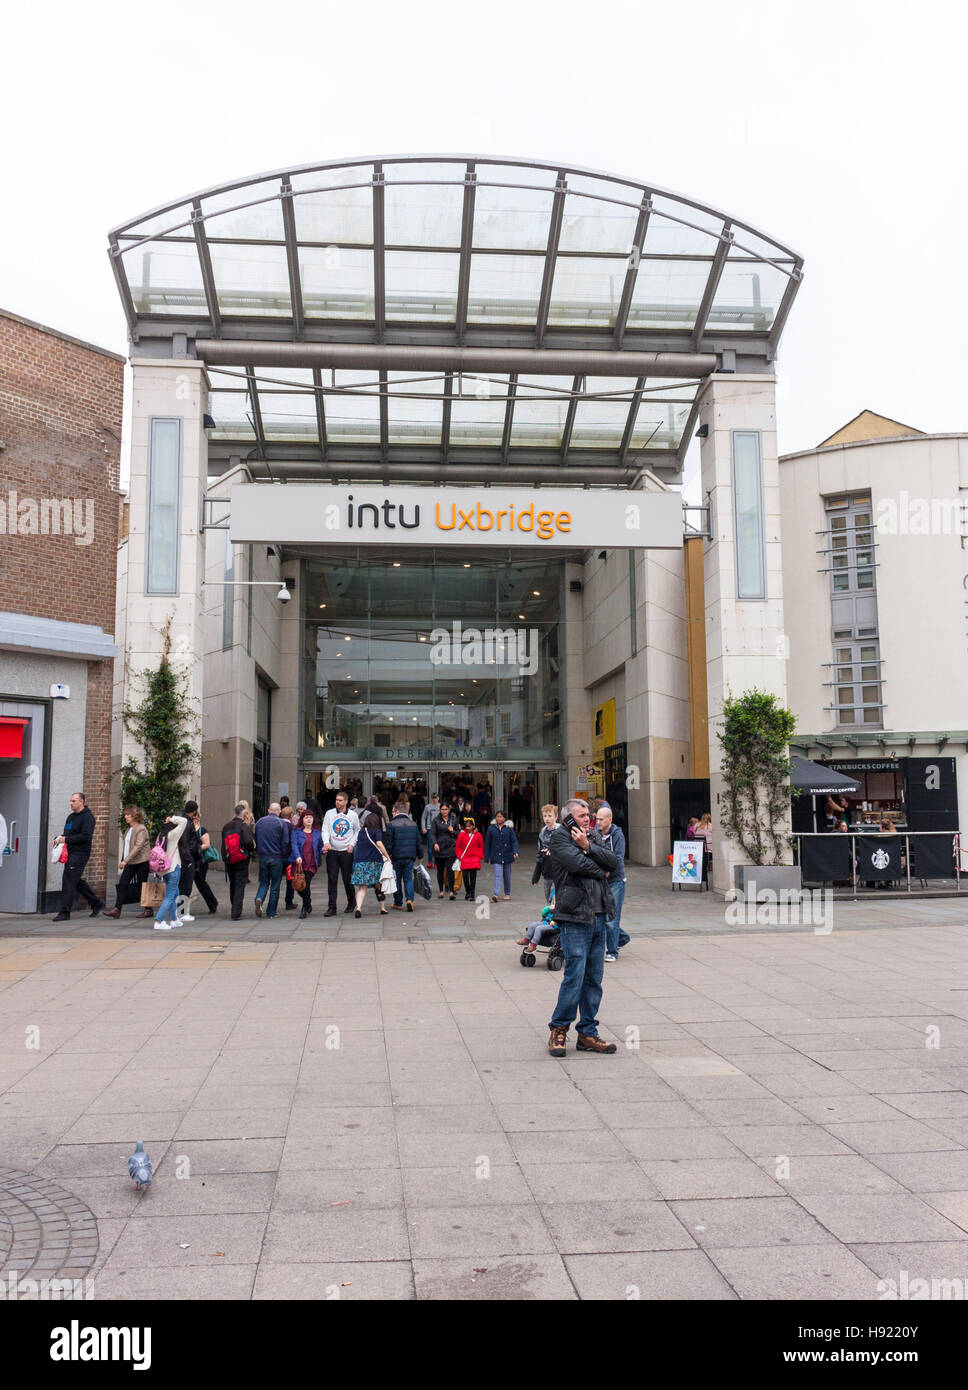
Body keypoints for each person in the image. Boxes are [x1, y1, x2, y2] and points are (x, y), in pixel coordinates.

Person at [546, 798, 618, 1057]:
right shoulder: (559, 839)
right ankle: (559, 1029)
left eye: (589, 814)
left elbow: (615, 863)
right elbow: (578, 865)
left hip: (599, 915)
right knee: (574, 976)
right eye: (581, 815)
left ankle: (587, 1032)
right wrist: (600, 868)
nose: (588, 818)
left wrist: (588, 846)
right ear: (567, 818)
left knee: (594, 978)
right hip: (575, 916)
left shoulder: (591, 837)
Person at [52, 792, 104, 921]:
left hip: (80, 853)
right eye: (70, 801)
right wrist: (58, 839)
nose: (71, 803)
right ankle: (96, 903)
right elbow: (66, 833)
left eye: (74, 801)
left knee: (68, 880)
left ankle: (65, 912)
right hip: (70, 852)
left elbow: (86, 836)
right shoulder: (70, 817)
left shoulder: (87, 817)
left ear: (82, 802)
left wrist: (66, 839)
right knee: (74, 880)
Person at [103, 805, 150, 918]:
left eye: (128, 815)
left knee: (142, 885)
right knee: (123, 884)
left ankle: (148, 910)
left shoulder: (141, 828)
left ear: (134, 816)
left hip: (141, 862)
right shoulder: (129, 829)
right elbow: (127, 847)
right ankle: (117, 909)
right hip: (131, 863)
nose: (125, 817)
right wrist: (124, 860)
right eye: (125, 814)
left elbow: (138, 846)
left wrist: (125, 860)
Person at [597, 804, 629, 962]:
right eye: (596, 819)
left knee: (611, 917)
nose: (598, 822)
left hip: (616, 881)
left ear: (610, 820)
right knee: (603, 917)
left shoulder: (617, 835)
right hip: (601, 880)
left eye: (601, 819)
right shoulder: (595, 833)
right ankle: (621, 938)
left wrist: (606, 872)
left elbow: (618, 858)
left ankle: (612, 952)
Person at [321, 791, 360, 917]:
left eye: (340, 800)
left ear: (346, 801)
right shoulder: (329, 813)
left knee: (347, 879)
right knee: (332, 879)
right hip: (332, 851)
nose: (337, 802)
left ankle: (351, 902)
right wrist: (326, 842)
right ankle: (332, 907)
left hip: (346, 852)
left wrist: (352, 844)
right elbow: (325, 829)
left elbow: (357, 831)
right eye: (336, 800)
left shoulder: (353, 815)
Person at [253, 802, 291, 919]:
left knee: (264, 882)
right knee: (275, 885)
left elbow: (255, 838)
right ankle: (271, 912)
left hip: (263, 857)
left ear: (269, 810)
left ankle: (259, 898)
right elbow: (285, 842)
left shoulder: (259, 822)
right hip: (277, 857)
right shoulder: (281, 823)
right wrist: (283, 854)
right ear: (279, 812)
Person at [352, 805, 391, 917]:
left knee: (362, 887)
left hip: (361, 862)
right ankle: (382, 908)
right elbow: (379, 844)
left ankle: (358, 908)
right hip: (374, 862)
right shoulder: (377, 831)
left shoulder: (361, 832)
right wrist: (387, 856)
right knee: (378, 885)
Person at [153, 812, 188, 931]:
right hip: (173, 869)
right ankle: (158, 921)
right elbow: (184, 821)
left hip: (163, 870)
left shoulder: (160, 836)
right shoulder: (173, 835)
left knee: (175, 894)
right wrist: (172, 819)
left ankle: (174, 920)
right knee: (169, 896)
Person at [385, 799, 422, 912]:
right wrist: (420, 855)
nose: (391, 814)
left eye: (392, 811)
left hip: (396, 857)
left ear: (396, 811)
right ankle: (410, 900)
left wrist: (388, 856)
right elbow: (418, 842)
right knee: (408, 879)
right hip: (410, 856)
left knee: (396, 880)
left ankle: (398, 902)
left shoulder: (391, 824)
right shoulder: (413, 824)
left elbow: (389, 843)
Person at [221, 802, 256, 920]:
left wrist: (225, 858)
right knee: (240, 885)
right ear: (244, 814)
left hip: (229, 860)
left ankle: (234, 907)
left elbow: (223, 844)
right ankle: (236, 913)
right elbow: (248, 842)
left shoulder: (226, 826)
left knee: (233, 884)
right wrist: (250, 851)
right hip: (241, 859)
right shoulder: (243, 826)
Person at [288, 810, 323, 919]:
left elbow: (320, 848)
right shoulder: (296, 831)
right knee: (298, 887)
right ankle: (308, 902)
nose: (309, 819)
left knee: (305, 885)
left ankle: (304, 908)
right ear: (302, 819)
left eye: (311, 817)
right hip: (299, 863)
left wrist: (325, 849)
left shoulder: (317, 833)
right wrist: (298, 856)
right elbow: (293, 845)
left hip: (311, 863)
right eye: (306, 817)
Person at [177, 800, 203, 923]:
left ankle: (180, 912)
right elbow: (187, 843)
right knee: (185, 887)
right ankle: (181, 913)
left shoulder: (181, 821)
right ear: (194, 811)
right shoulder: (187, 824)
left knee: (182, 886)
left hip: (182, 858)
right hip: (187, 859)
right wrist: (190, 859)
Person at [190, 806, 220, 914]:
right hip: (192, 860)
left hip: (201, 861)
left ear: (197, 818)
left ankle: (213, 903)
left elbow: (206, 845)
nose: (192, 821)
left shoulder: (202, 830)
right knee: (196, 883)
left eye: (193, 819)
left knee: (201, 883)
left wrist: (195, 849)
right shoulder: (189, 830)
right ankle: (212, 903)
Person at [485, 810, 519, 901]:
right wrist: (486, 857)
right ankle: (495, 894)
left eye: (501, 816)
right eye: (497, 816)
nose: (499, 818)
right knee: (497, 874)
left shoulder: (509, 828)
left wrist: (515, 851)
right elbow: (487, 843)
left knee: (507, 875)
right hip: (496, 855)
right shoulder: (491, 829)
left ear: (504, 818)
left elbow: (514, 841)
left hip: (507, 855)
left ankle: (507, 893)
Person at [430, 800, 459, 898]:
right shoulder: (436, 820)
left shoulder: (454, 819)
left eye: (446, 809)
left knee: (450, 870)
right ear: (440, 810)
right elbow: (432, 833)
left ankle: (451, 891)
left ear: (449, 810)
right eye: (442, 809)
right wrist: (435, 843)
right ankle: (441, 891)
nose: (444, 811)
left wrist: (453, 831)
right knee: (440, 870)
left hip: (451, 847)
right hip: (439, 848)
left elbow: (459, 833)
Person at [533, 804, 559, 904]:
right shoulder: (543, 832)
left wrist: (553, 851)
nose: (547, 819)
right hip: (547, 871)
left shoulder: (561, 831)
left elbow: (566, 850)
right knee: (548, 898)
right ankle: (549, 919)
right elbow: (539, 853)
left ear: (556, 817)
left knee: (554, 900)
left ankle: (554, 918)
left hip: (558, 871)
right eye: (545, 816)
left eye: (550, 816)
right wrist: (536, 874)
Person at [455, 817, 485, 901]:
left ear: (473, 826)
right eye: (466, 826)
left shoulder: (478, 835)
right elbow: (458, 847)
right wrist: (460, 856)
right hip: (465, 858)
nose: (468, 828)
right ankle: (468, 891)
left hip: (474, 858)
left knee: (473, 877)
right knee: (465, 876)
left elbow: (481, 846)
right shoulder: (461, 835)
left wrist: (479, 856)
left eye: (469, 826)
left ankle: (472, 893)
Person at [421, 793, 440, 867]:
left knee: (437, 846)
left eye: (436, 798)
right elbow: (423, 817)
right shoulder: (428, 807)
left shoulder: (441, 806)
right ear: (432, 799)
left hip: (439, 829)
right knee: (430, 846)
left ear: (438, 798)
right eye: (433, 798)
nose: (435, 799)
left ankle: (436, 862)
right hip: (430, 828)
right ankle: (430, 861)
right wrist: (423, 827)